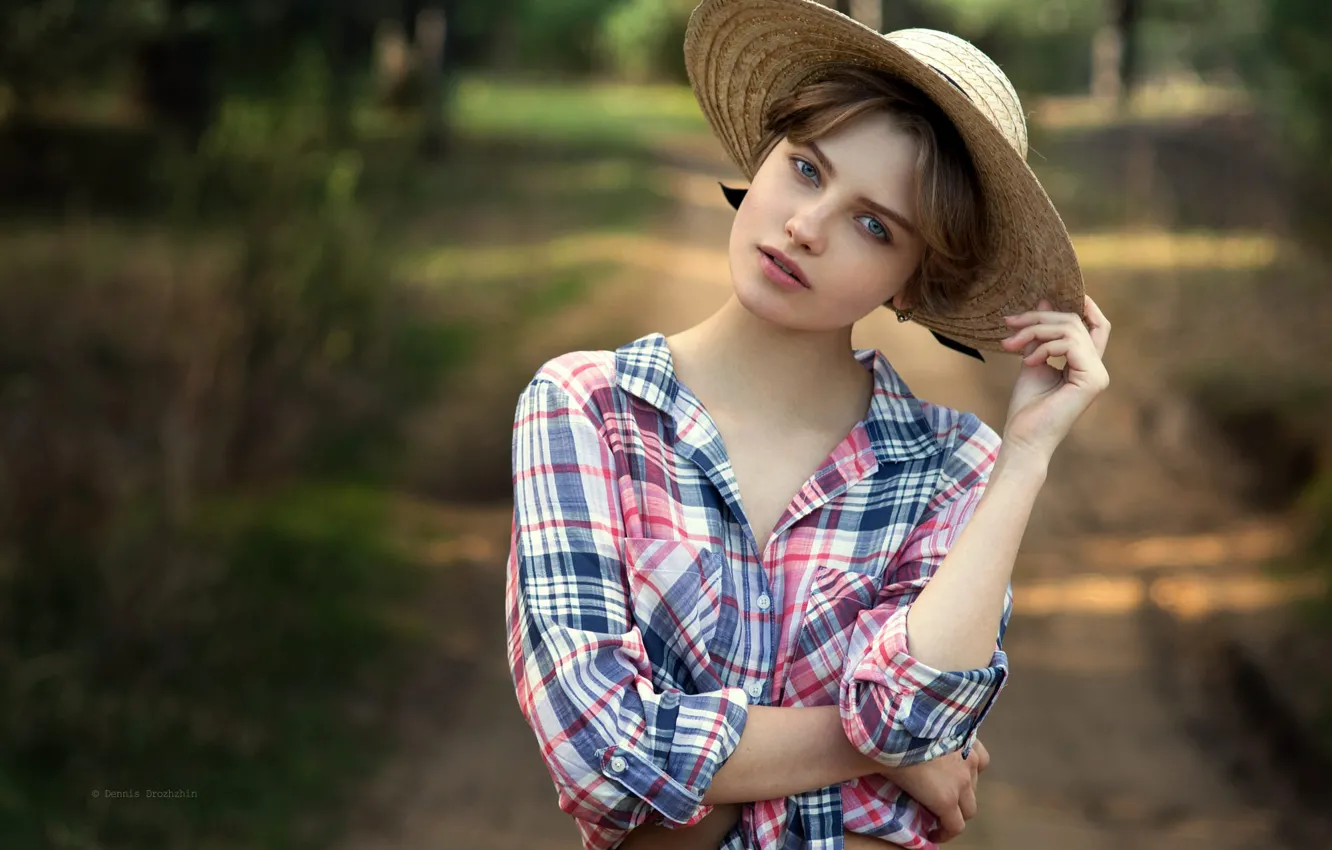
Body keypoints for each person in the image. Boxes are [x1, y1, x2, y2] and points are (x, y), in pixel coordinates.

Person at [505, 2, 1111, 849]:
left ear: (916, 279)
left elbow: (911, 713)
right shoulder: (590, 409)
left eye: (874, 225)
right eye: (806, 168)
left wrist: (1026, 458)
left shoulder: (953, 467)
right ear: (762, 157)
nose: (806, 227)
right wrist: (875, 754)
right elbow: (602, 751)